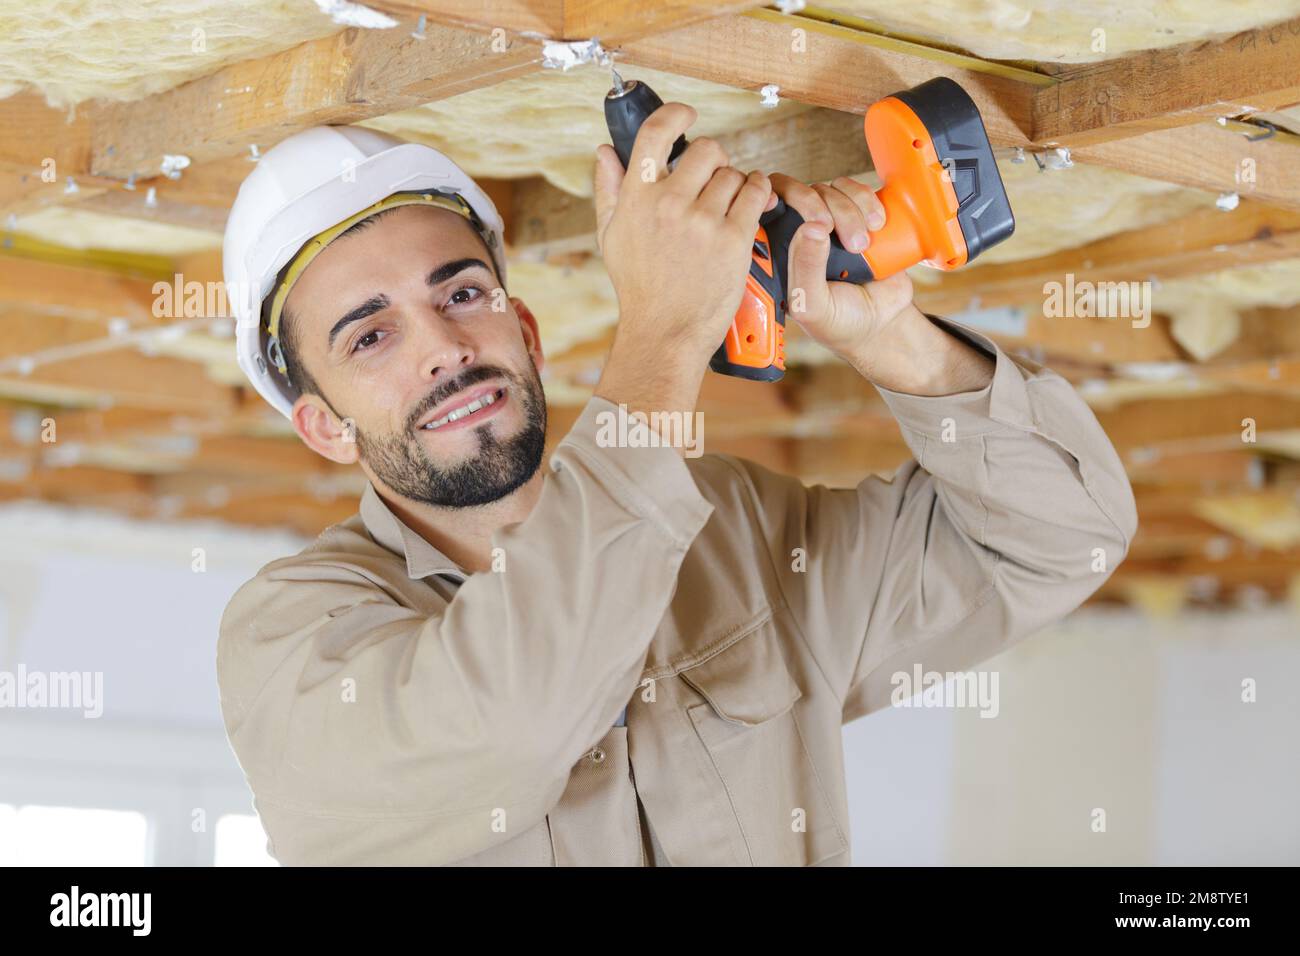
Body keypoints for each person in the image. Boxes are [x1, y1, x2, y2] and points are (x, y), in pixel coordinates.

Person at [217, 104, 1137, 865]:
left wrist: (886, 336)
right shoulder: (296, 637)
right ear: (324, 426)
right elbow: (511, 723)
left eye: (461, 294)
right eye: (371, 337)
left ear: (525, 333)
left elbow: (1062, 540)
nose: (446, 350)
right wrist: (662, 333)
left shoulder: (733, 529)